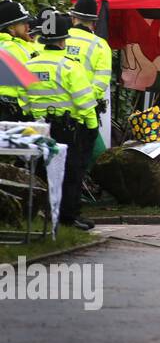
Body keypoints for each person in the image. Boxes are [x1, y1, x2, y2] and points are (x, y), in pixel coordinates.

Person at [22, 14, 98, 231]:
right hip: (67, 129)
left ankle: (39, 214)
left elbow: (22, 98)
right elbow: (84, 102)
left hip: (37, 127)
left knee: (39, 172)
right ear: (63, 40)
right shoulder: (70, 67)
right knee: (70, 172)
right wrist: (91, 128)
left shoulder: (29, 64)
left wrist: (34, 115)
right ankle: (67, 217)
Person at [66, 0, 112, 106]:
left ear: (73, 18)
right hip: (84, 109)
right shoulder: (101, 45)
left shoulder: (59, 38)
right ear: (93, 22)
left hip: (55, 106)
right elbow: (101, 84)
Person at [0, 0, 38, 121]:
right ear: (11, 28)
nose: (28, 27)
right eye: (23, 23)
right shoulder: (16, 48)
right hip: (14, 113)